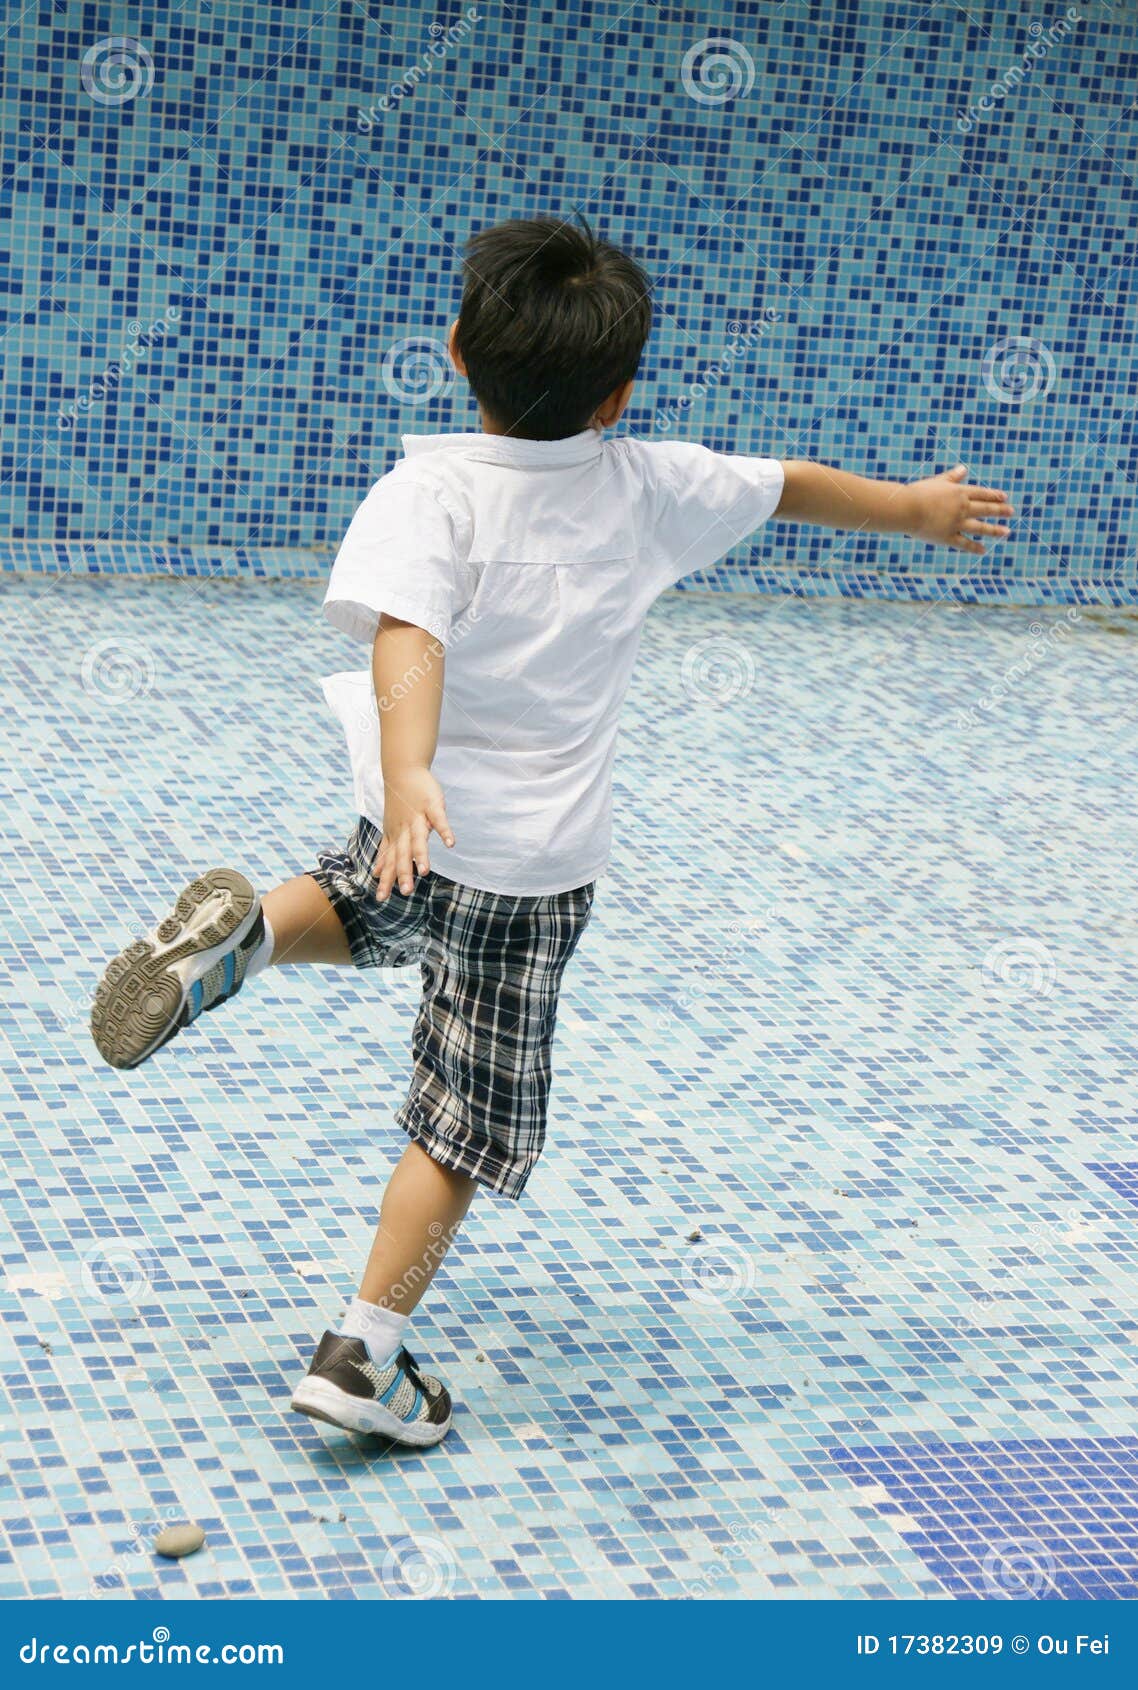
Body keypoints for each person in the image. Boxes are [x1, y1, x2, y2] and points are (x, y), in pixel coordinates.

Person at [90, 214, 1014, 1445]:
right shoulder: (649, 483)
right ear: (618, 393)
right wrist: (914, 510)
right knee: (459, 1120)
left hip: (409, 820)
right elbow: (785, 484)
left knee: (364, 899)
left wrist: (411, 772)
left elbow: (407, 629)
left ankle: (238, 943)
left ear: (460, 349)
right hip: (527, 869)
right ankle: (361, 1353)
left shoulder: (426, 490)